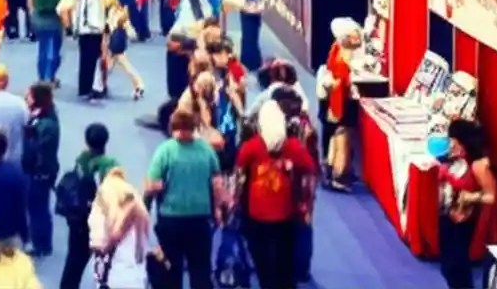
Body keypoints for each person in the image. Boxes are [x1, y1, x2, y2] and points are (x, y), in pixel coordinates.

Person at [234, 100, 317, 289]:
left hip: (258, 215)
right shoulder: (294, 147)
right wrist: (307, 204)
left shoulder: (252, 147)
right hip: (285, 215)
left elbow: (239, 178)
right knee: (284, 262)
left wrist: (235, 202)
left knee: (263, 263)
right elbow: (310, 175)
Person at [144, 108, 225, 289]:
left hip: (171, 219)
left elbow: (152, 186)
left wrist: (145, 208)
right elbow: (217, 184)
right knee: (200, 270)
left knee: (170, 271)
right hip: (199, 220)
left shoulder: (165, 151)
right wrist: (219, 210)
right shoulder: (206, 150)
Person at [59, 123, 120, 289]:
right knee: (106, 264)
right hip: (100, 220)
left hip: (79, 219)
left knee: (74, 262)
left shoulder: (82, 160)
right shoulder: (110, 165)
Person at [439, 119, 497, 289]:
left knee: (457, 268)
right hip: (448, 217)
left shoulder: (479, 166)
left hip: (465, 222)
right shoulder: (453, 160)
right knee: (447, 268)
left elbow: (491, 196)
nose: (450, 145)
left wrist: (471, 197)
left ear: (463, 142)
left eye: (453, 141)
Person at [87, 170, 151, 289]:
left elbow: (97, 245)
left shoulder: (106, 217)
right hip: (136, 279)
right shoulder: (142, 217)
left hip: (114, 278)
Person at [320, 18, 361, 190]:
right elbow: (346, 82)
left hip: (333, 103)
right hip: (340, 104)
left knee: (334, 140)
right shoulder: (343, 59)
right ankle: (339, 177)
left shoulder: (335, 49)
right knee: (342, 141)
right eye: (354, 36)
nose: (358, 38)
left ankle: (330, 173)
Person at [22, 81, 60, 257]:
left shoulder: (46, 125)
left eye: (29, 96)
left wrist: (29, 134)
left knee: (38, 208)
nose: (26, 98)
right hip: (39, 170)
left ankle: (43, 245)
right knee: (36, 207)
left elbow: (40, 150)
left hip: (40, 173)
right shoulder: (43, 116)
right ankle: (38, 239)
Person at [29, 0, 68, 84]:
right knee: (55, 50)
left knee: (42, 49)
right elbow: (63, 5)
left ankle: (41, 76)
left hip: (39, 19)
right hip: (54, 20)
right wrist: (67, 23)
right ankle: (50, 76)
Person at [71, 0, 107, 101]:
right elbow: (81, 13)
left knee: (93, 61)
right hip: (87, 31)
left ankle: (90, 87)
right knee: (86, 61)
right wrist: (77, 28)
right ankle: (84, 88)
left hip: (95, 31)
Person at [105, 3, 145, 100]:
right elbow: (131, 33)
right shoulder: (122, 15)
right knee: (109, 67)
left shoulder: (113, 13)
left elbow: (109, 27)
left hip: (114, 46)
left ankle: (140, 85)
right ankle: (101, 86)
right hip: (118, 46)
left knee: (121, 67)